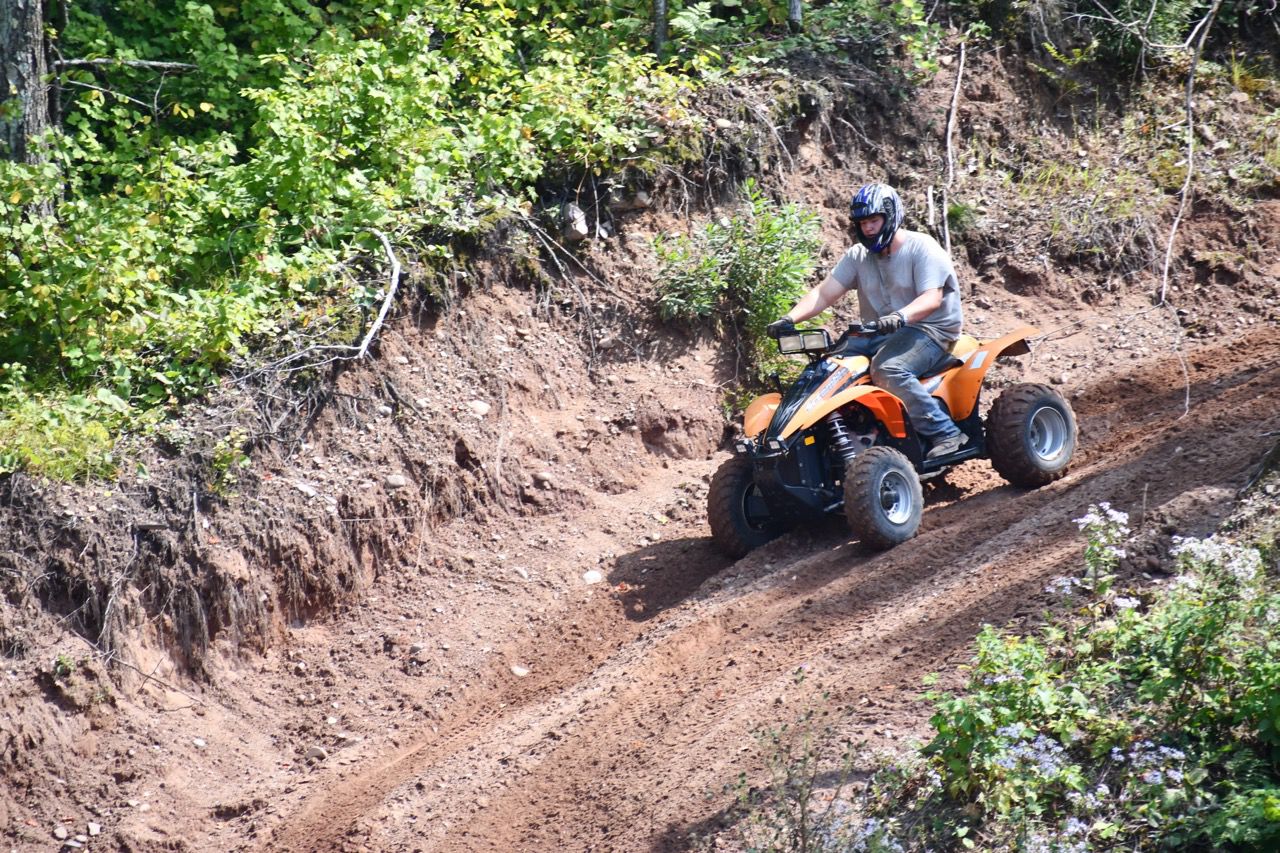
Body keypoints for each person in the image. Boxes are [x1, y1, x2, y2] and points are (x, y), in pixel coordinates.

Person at [766, 183, 968, 460]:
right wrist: (789, 318)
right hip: (878, 332)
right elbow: (825, 293)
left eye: (874, 220)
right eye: (863, 223)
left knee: (888, 369)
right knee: (828, 369)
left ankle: (945, 432)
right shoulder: (858, 256)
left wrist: (900, 317)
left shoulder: (922, 247)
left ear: (891, 217)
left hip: (930, 329)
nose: (869, 228)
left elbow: (931, 299)